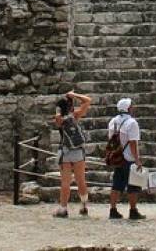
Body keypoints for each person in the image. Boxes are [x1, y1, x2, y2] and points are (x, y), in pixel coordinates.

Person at [53, 90, 91, 218]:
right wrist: (74, 96)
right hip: (78, 152)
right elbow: (87, 100)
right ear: (70, 106)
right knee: (81, 181)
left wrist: (62, 106)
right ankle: (84, 205)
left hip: (65, 151)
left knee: (65, 182)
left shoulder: (59, 119)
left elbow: (58, 114)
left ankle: (63, 208)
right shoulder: (75, 116)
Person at [107, 97, 146, 220]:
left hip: (117, 157)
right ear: (128, 108)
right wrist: (137, 160)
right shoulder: (132, 123)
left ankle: (113, 209)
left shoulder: (112, 121)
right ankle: (133, 210)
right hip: (128, 157)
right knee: (133, 185)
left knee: (116, 184)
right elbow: (133, 143)